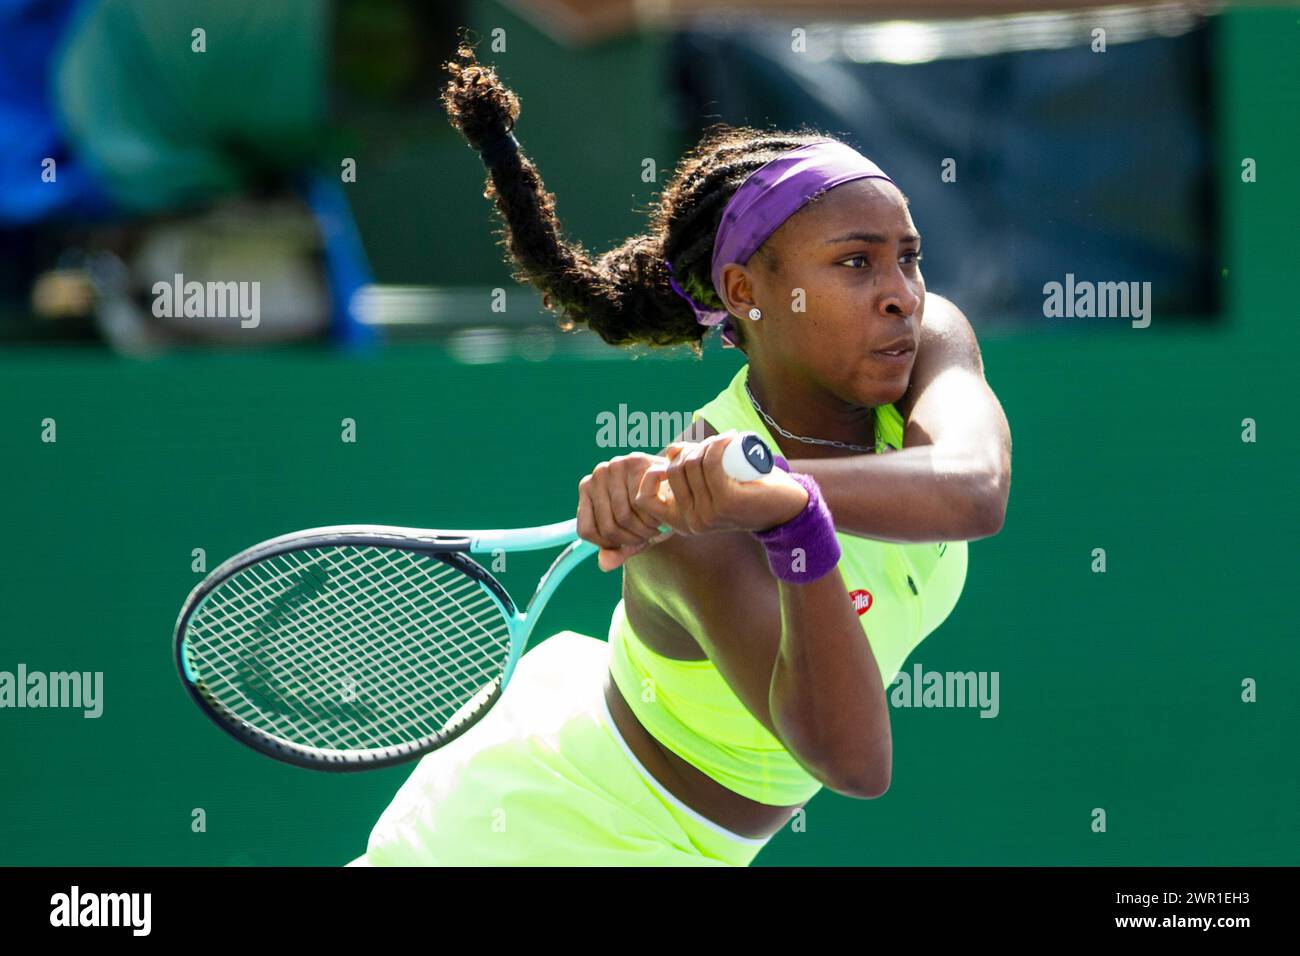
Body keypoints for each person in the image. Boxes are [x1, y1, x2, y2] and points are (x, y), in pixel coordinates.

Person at [350, 42, 1010, 867]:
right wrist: (789, 526)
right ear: (745, 292)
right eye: (854, 262)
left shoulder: (927, 348)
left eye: (908, 257)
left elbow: (974, 490)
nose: (900, 293)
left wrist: (775, 491)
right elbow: (853, 761)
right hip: (535, 839)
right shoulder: (693, 534)